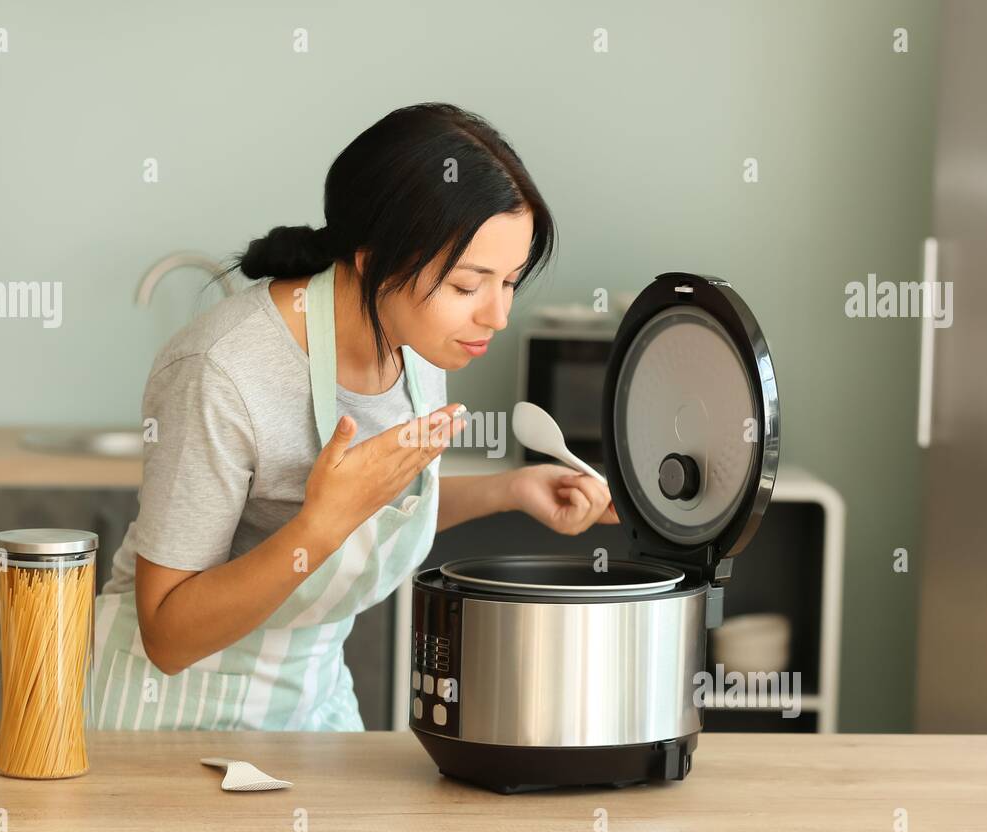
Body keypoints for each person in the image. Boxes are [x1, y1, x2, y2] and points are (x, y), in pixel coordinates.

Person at [92, 103, 615, 732]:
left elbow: (374, 504)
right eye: (467, 285)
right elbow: (168, 636)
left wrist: (511, 491)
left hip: (309, 708)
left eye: (510, 280)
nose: (497, 316)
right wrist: (321, 522)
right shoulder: (222, 371)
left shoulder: (419, 343)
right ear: (374, 261)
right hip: (165, 716)